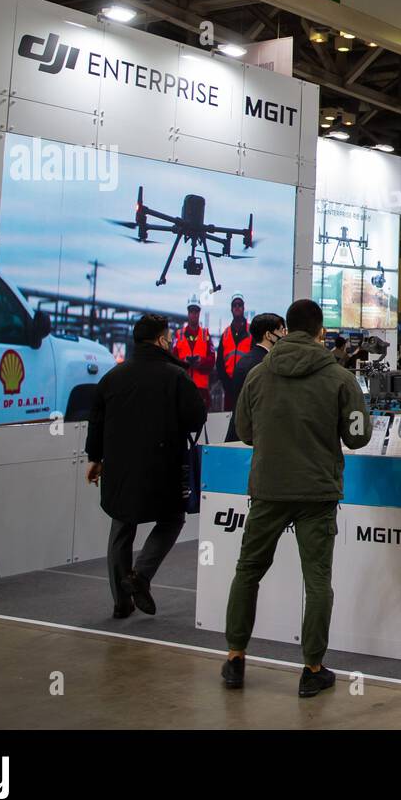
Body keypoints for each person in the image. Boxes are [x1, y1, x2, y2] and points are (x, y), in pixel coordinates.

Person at [222, 299, 372, 698]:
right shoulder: (340, 378)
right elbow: (358, 435)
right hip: (317, 491)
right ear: (321, 331)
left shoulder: (257, 374)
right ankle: (312, 668)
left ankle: (235, 658)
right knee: (317, 579)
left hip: (268, 488)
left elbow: (245, 431)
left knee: (248, 570)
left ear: (285, 330)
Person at [85, 314, 207, 619]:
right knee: (172, 519)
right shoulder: (176, 376)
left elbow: (96, 421)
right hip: (161, 466)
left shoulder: (112, 377)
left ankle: (121, 603)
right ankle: (139, 575)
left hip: (119, 468)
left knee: (121, 525)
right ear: (162, 340)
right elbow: (196, 417)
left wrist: (95, 458)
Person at [223, 312, 286, 442]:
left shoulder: (245, 360)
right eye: (281, 331)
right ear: (268, 335)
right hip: (254, 438)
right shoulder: (266, 364)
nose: (284, 335)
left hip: (238, 434)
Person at [173, 299, 215, 401]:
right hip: (183, 386)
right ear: (188, 313)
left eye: (196, 311)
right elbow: (172, 360)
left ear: (199, 313)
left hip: (201, 389)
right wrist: (184, 362)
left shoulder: (206, 335)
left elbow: (212, 360)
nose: (194, 314)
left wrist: (200, 362)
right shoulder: (179, 335)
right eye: (191, 311)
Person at [216, 294, 251, 411]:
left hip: (247, 387)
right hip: (229, 388)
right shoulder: (225, 335)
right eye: (234, 305)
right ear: (231, 309)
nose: (237, 307)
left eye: (239, 304)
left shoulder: (251, 333)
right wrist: (226, 384)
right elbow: (219, 363)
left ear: (243, 308)